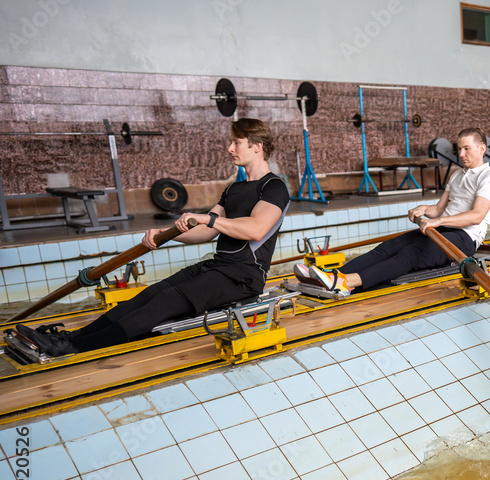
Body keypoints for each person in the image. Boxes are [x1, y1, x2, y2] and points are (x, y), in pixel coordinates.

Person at [16, 118, 290, 356]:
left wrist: (209, 218)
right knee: (147, 295)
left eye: (237, 142)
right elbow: (206, 232)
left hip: (243, 277)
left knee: (165, 302)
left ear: (257, 146)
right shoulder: (235, 188)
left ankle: (75, 348)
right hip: (218, 267)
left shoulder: (274, 187)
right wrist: (166, 234)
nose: (230, 148)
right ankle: (70, 337)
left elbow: (256, 228)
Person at [296, 127, 490, 297]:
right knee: (389, 247)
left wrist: (438, 221)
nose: (461, 154)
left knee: (410, 254)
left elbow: (476, 215)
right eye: (459, 149)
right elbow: (438, 208)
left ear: (482, 149)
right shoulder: (457, 175)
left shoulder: (488, 178)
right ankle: (331, 275)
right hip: (443, 228)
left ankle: (345, 283)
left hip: (465, 238)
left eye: (466, 149)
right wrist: (424, 210)